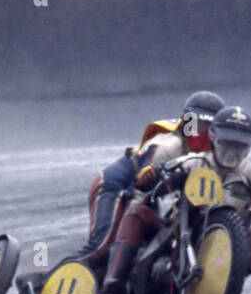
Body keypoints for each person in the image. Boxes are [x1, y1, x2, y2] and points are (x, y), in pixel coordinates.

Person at [99, 105, 251, 294]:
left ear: (248, 147)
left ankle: (227, 281)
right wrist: (151, 179)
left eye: (239, 146)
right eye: (226, 142)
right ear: (213, 137)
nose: (231, 151)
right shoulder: (193, 162)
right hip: (181, 233)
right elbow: (161, 177)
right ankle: (114, 284)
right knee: (137, 213)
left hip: (224, 254)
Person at [70, 91, 225, 273]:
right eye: (199, 124)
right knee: (102, 247)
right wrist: (125, 229)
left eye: (209, 126)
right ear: (187, 121)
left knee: (143, 246)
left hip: (147, 195)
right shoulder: (168, 149)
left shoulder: (206, 156)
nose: (203, 131)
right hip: (116, 186)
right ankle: (50, 280)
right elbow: (139, 192)